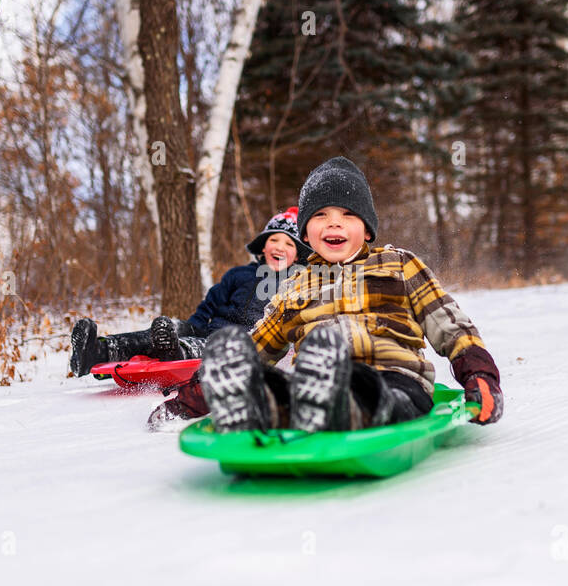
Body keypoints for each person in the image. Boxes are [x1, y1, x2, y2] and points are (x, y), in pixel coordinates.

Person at [147, 156, 503, 431]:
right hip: (312, 384)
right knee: (275, 381)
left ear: (367, 230)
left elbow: (451, 326)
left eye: (348, 214)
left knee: (380, 398)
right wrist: (190, 399)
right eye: (320, 215)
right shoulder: (297, 286)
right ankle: (261, 403)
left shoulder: (399, 264)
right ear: (306, 232)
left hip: (395, 380)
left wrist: (480, 376)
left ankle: (323, 404)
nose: (334, 222)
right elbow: (260, 346)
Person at [69, 208, 309, 378]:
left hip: (245, 340)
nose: (280, 247)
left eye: (289, 244)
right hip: (208, 328)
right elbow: (211, 303)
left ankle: (176, 352)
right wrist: (190, 326)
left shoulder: (297, 281)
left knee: (212, 344)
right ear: (263, 246)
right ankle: (98, 351)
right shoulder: (239, 274)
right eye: (274, 240)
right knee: (171, 327)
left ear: (297, 255)